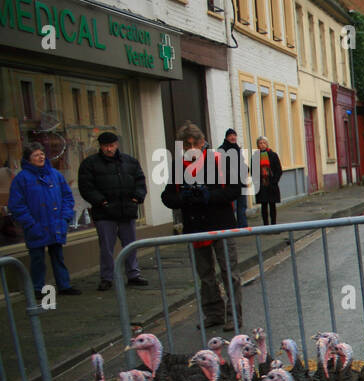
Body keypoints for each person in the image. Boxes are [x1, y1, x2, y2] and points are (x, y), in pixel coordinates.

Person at [161, 122, 243, 332]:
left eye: (194, 144)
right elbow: (168, 197)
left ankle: (234, 316)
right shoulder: (179, 166)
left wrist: (209, 196)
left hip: (221, 225)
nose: (191, 149)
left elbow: (234, 190)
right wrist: (184, 198)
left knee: (229, 273)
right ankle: (213, 314)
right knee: (205, 275)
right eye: (187, 146)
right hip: (195, 227)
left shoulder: (220, 161)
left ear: (202, 142)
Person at [78, 130, 148, 291]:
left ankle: (133, 274)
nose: (109, 149)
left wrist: (136, 198)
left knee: (130, 245)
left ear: (116, 145)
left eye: (111, 145)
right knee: (106, 248)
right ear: (100, 147)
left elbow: (140, 181)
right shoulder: (90, 164)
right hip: (105, 213)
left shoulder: (130, 162)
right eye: (105, 146)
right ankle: (107, 277)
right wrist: (101, 202)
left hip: (126, 210)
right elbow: (86, 187)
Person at [8, 143, 80, 296]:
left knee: (58, 256)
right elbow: (17, 205)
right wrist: (30, 224)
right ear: (28, 159)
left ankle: (64, 285)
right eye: (36, 155)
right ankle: (37, 288)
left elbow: (67, 197)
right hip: (36, 225)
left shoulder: (55, 174)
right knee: (37, 259)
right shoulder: (22, 179)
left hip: (56, 223)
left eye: (42, 154)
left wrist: (65, 217)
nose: (40, 157)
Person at [218, 129, 250, 229]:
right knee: (233, 207)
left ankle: (243, 227)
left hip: (241, 183)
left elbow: (242, 163)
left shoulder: (237, 149)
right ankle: (232, 227)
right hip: (230, 184)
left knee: (242, 206)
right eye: (231, 135)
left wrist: (246, 169)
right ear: (226, 137)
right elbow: (221, 167)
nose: (233, 137)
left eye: (234, 135)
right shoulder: (222, 150)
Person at [253, 136, 283, 225]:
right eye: (260, 143)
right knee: (264, 206)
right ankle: (265, 225)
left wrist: (274, 181)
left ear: (267, 144)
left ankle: (273, 225)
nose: (262, 145)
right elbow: (253, 171)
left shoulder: (273, 155)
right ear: (258, 145)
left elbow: (279, 170)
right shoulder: (255, 156)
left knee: (272, 205)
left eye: (264, 143)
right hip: (261, 185)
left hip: (271, 184)